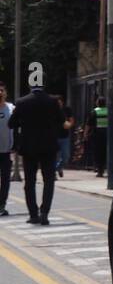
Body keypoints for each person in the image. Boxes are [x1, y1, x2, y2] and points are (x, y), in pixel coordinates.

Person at [9, 84, 63, 225]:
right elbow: (61, 120)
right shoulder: (53, 101)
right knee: (49, 180)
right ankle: (44, 212)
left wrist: (24, 121)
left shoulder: (22, 102)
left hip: (29, 147)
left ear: (30, 84)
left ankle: (33, 214)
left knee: (30, 182)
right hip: (49, 146)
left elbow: (11, 123)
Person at [0, 83, 13, 218]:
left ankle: (1, 205)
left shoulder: (11, 108)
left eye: (2, 90)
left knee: (5, 180)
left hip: (6, 151)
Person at [87, 96, 108, 176]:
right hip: (106, 134)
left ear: (97, 103)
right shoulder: (108, 111)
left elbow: (88, 124)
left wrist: (85, 134)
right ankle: (104, 167)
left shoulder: (94, 112)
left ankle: (99, 170)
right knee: (104, 151)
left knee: (97, 152)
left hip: (97, 134)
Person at [55, 96, 75, 178]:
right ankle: (53, 173)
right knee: (55, 156)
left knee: (66, 156)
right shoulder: (52, 110)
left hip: (64, 136)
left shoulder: (66, 110)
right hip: (54, 136)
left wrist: (69, 125)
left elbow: (71, 120)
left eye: (60, 102)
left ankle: (58, 168)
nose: (59, 104)